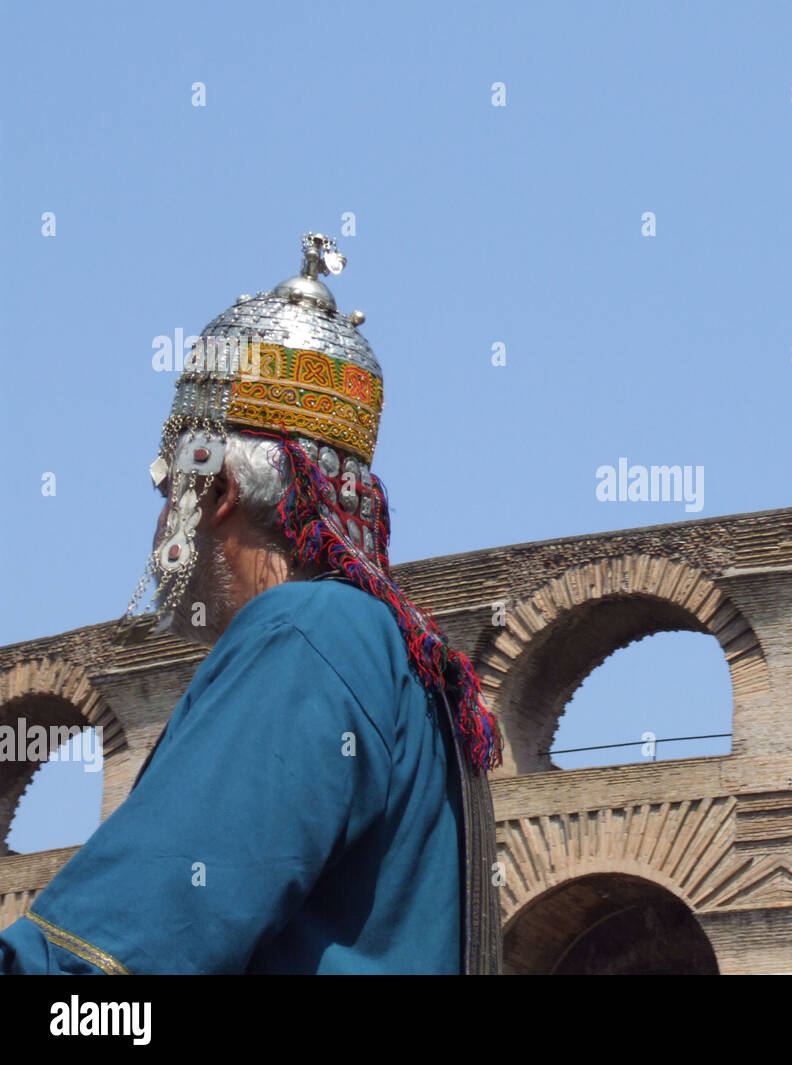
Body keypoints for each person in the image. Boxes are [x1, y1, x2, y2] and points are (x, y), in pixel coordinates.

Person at [0, 234, 503, 974]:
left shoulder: (304, 634)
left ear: (220, 488)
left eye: (166, 487)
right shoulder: (388, 651)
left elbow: (115, 967)